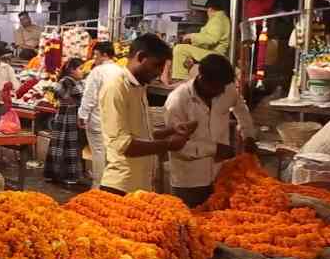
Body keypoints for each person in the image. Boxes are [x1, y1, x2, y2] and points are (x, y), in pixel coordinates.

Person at [99, 34, 193, 195]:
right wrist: (169, 145)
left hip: (140, 187)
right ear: (141, 57)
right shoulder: (116, 87)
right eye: (157, 65)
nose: (160, 72)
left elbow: (143, 135)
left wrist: (171, 130)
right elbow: (124, 144)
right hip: (120, 187)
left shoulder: (139, 87)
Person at [164, 54, 256, 207]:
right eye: (217, 87)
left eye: (224, 86)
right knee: (191, 219)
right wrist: (214, 149)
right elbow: (176, 145)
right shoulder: (178, 100)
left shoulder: (226, 89)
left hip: (221, 175)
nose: (221, 90)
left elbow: (241, 110)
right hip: (189, 181)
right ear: (202, 78)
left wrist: (248, 135)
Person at [77, 42, 124, 189]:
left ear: (105, 55)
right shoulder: (121, 71)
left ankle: (98, 186)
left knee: (98, 153)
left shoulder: (97, 72)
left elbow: (89, 96)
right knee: (112, 154)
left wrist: (82, 115)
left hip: (97, 120)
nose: (94, 58)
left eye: (96, 55)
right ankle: (112, 185)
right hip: (115, 121)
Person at [163, 0, 231, 83]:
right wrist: (193, 43)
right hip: (213, 52)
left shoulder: (217, 19)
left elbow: (212, 39)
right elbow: (209, 39)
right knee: (185, 50)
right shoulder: (221, 18)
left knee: (180, 49)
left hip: (215, 54)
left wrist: (191, 36)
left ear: (210, 9)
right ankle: (180, 77)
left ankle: (180, 80)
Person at [44, 58, 85, 184]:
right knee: (64, 145)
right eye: (80, 69)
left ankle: (66, 174)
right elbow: (77, 97)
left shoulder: (78, 82)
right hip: (66, 118)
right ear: (72, 70)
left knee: (69, 146)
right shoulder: (66, 81)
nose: (82, 71)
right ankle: (62, 175)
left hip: (71, 117)